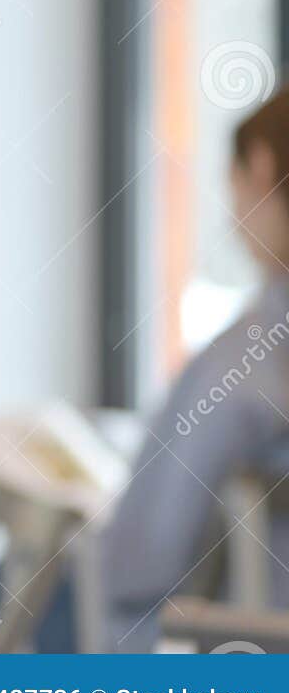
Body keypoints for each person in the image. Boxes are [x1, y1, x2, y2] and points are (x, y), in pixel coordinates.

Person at [103, 87, 289, 651]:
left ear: (259, 169)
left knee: (4, 587)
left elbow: (141, 563)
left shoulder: (245, 362)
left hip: (240, 670)